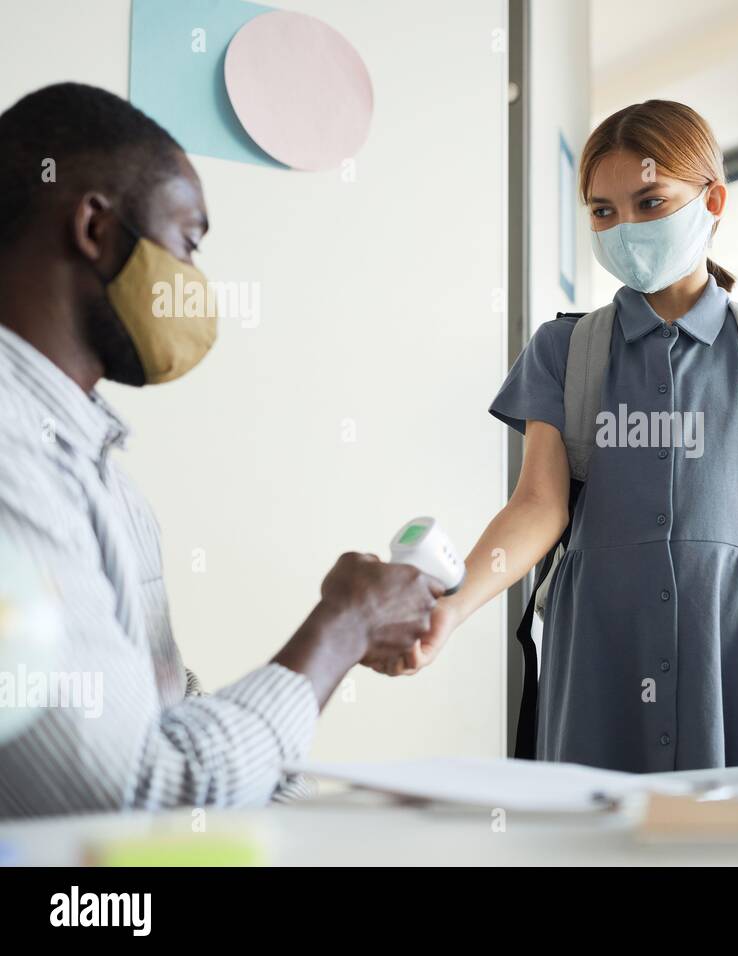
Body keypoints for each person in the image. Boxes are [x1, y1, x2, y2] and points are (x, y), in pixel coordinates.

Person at [374, 100, 738, 772]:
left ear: (713, 200)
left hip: (734, 656)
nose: (625, 226)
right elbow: (538, 505)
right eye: (604, 211)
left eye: (650, 201)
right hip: (598, 655)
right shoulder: (564, 349)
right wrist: (454, 610)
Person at [0, 83, 443, 818]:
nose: (198, 288)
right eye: (189, 242)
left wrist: (314, 798)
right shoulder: (14, 456)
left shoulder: (99, 468)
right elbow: (133, 797)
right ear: (95, 229)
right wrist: (343, 628)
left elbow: (159, 721)